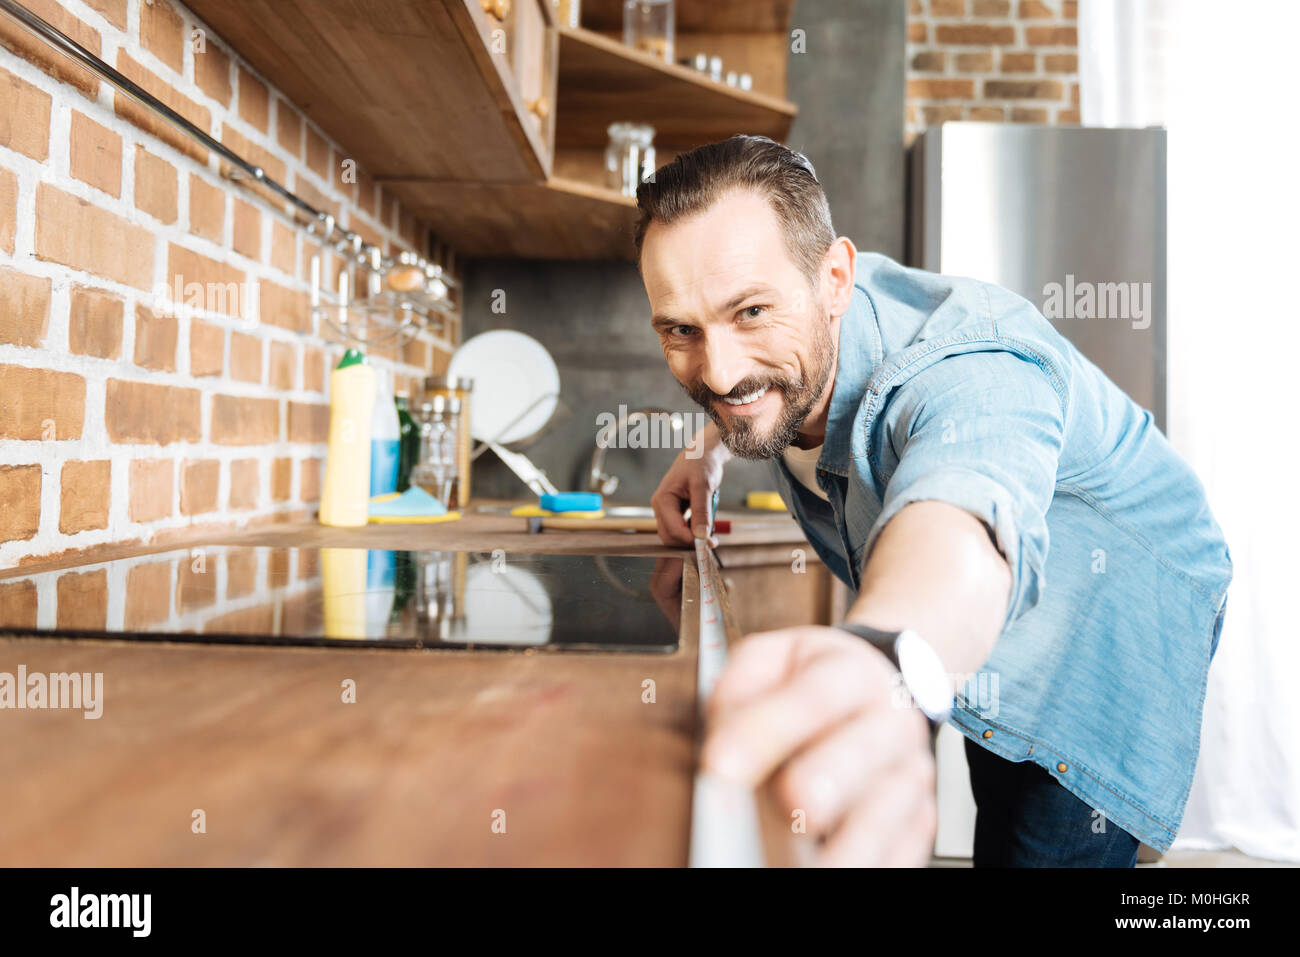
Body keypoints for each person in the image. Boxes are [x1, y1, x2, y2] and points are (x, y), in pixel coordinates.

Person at [640, 135, 1232, 867]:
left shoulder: (969, 367)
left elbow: (962, 506)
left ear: (835, 280)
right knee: (996, 778)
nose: (719, 368)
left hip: (1120, 602)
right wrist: (709, 445)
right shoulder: (804, 307)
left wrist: (884, 660)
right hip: (991, 632)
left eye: (751, 312)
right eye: (681, 330)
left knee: (1040, 842)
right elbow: (743, 368)